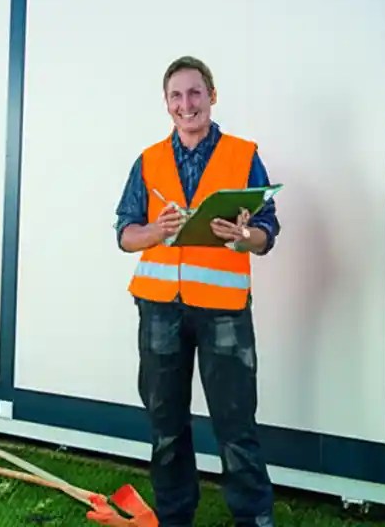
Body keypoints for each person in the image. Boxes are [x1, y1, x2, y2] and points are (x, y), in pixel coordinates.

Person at [114, 55, 280, 527]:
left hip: (223, 311)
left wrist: (242, 237)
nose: (186, 104)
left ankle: (254, 520)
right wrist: (153, 231)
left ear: (212, 96)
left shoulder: (244, 155)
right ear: (167, 104)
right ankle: (174, 518)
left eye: (195, 93)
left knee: (236, 427)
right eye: (176, 95)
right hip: (159, 311)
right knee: (166, 426)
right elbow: (125, 234)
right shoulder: (147, 161)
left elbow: (267, 232)